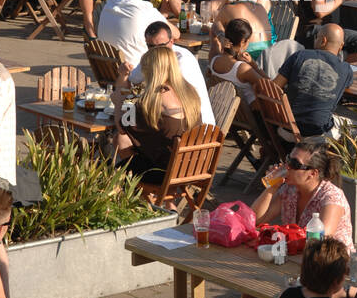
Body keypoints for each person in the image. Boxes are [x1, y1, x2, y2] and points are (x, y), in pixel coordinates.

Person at [246, 139, 353, 298]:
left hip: (328, 270)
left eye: (294, 163)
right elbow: (254, 221)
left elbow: (322, 245)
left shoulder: (331, 198)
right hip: (294, 260)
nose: (286, 166)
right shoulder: (289, 189)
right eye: (287, 159)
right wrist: (271, 187)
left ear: (312, 173)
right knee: (249, 293)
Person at [113, 43, 202, 178]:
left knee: (118, 150)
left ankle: (143, 194)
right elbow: (132, 91)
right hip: (190, 166)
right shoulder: (188, 90)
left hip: (163, 171)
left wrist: (120, 100)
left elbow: (121, 126)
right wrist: (124, 78)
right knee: (123, 141)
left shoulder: (152, 99)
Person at [274, 24, 353, 138]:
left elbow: (275, 87)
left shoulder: (299, 55)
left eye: (316, 37)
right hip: (319, 132)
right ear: (341, 46)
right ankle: (338, 156)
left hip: (287, 128)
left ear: (323, 40)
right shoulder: (346, 69)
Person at [129, 20, 214, 123]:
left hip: (195, 125)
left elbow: (179, 99)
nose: (156, 51)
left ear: (171, 42)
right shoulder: (151, 56)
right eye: (151, 46)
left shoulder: (182, 60)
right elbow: (133, 79)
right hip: (176, 120)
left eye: (160, 46)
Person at [209, 16, 269, 107]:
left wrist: (221, 37)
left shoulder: (214, 58)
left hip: (224, 112)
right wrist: (253, 64)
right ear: (242, 42)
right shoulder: (243, 69)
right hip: (249, 117)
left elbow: (215, 25)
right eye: (248, 41)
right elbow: (271, 87)